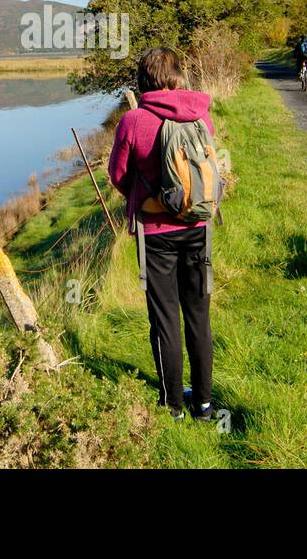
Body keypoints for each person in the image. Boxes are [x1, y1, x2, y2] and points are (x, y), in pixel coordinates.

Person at [108, 47, 216, 422]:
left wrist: (144, 199)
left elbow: (118, 175)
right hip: (198, 227)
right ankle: (203, 404)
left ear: (143, 79)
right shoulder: (202, 112)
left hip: (154, 232)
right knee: (198, 315)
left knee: (165, 317)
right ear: (177, 75)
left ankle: (172, 406)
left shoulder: (133, 121)